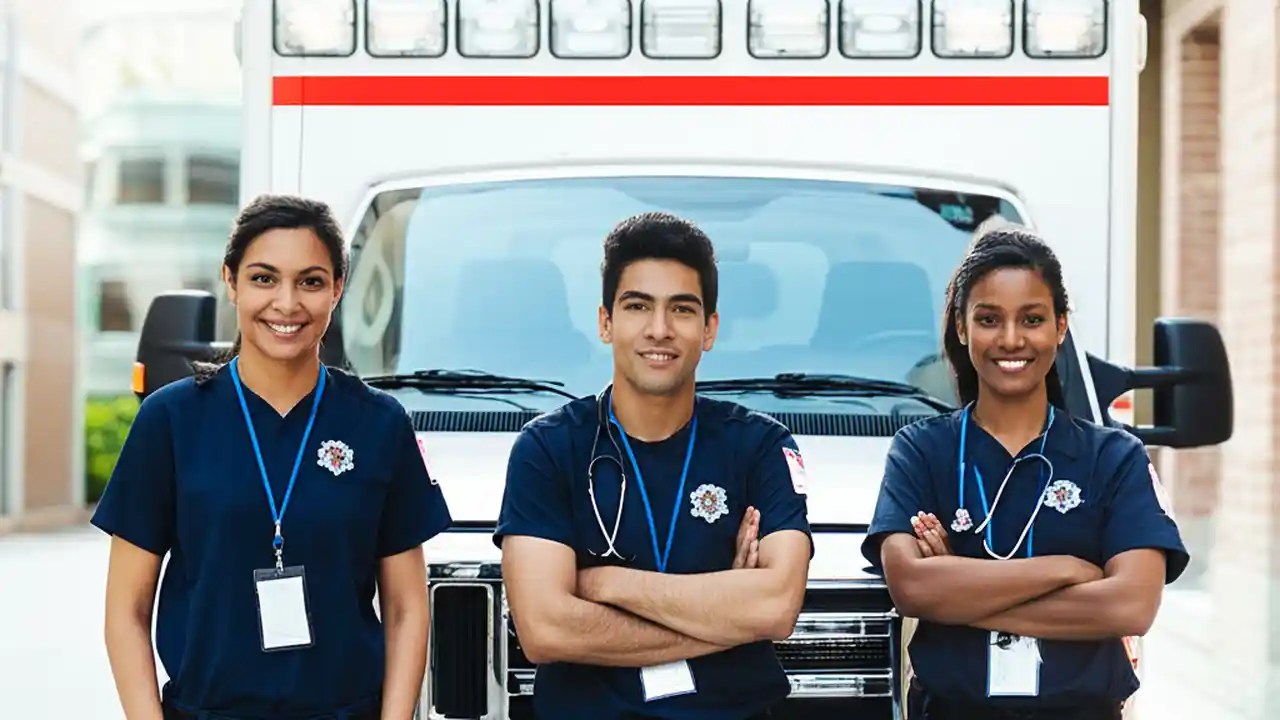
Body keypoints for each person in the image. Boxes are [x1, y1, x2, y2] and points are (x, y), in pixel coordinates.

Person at [93, 194, 452, 720]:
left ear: (337, 289)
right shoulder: (171, 421)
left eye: (310, 281)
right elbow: (126, 611)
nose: (287, 303)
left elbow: (406, 608)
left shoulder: (379, 424)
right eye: (264, 278)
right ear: (231, 281)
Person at [493, 211, 813, 720]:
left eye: (682, 310)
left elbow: (775, 608)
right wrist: (725, 616)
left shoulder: (759, 446)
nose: (659, 330)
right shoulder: (548, 449)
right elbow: (546, 630)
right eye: (638, 306)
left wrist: (605, 585)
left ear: (709, 329)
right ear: (606, 322)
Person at [860, 225, 1188, 719]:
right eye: (989, 319)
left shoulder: (1114, 457)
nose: (1011, 339)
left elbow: (1130, 606)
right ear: (962, 327)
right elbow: (911, 587)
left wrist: (960, 592)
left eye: (1032, 319)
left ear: (1060, 326)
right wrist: (1068, 570)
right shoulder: (921, 451)